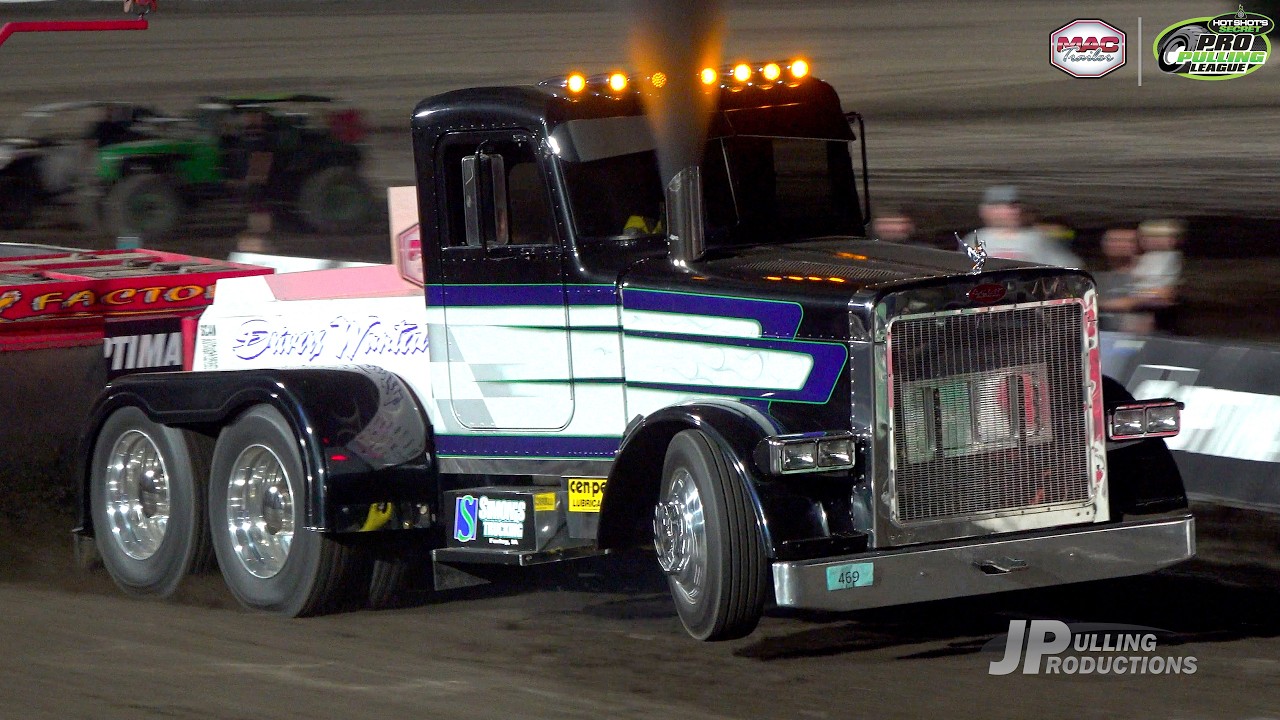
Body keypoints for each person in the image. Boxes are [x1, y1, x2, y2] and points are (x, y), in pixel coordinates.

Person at [965, 185, 1082, 268]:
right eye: (1007, 207)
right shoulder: (974, 239)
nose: (1014, 211)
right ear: (986, 210)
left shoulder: (1036, 239)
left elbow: (1070, 268)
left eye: (1015, 206)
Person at [1132, 218, 1185, 333]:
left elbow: (1159, 285)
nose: (1153, 241)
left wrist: (1141, 293)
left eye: (1159, 237)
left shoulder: (1170, 257)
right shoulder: (1146, 257)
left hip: (1158, 306)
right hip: (1143, 302)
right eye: (1148, 237)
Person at [1094, 226, 1143, 332]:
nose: (1120, 245)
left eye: (1127, 241)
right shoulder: (1097, 278)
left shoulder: (1147, 274)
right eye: (1114, 241)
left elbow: (1145, 299)